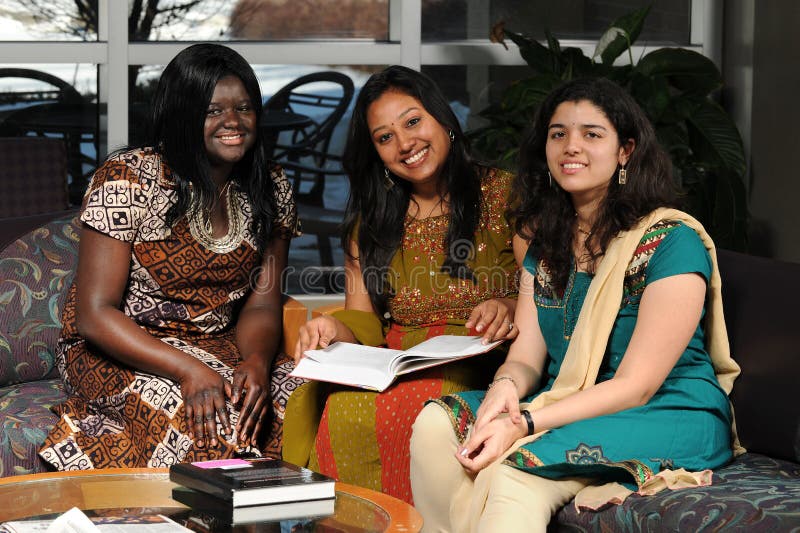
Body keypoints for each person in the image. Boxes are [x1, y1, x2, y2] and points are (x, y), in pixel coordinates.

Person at [409, 77, 743, 531]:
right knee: (434, 427)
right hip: (567, 399)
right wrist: (505, 387)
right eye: (558, 133)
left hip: (666, 410)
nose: (572, 146)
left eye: (592, 133)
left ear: (625, 150)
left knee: (513, 471)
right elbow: (527, 357)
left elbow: (637, 386)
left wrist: (525, 422)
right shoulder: (545, 241)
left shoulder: (670, 243)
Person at [39, 43, 299, 470]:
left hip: (220, 344)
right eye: (212, 111)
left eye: (244, 108)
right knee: (214, 425)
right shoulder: (128, 177)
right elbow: (95, 314)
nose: (232, 122)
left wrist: (255, 362)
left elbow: (264, 301)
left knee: (302, 397)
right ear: (181, 116)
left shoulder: (271, 186)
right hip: (117, 347)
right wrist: (187, 371)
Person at [280, 65, 519, 503]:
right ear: (375, 153)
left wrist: (507, 304)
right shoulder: (371, 223)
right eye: (385, 137)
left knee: (426, 408)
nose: (405, 143)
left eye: (413, 122)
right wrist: (334, 330)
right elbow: (362, 323)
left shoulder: (506, 196)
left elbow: (549, 293)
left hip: (483, 358)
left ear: (443, 119)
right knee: (342, 410)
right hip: (398, 361)